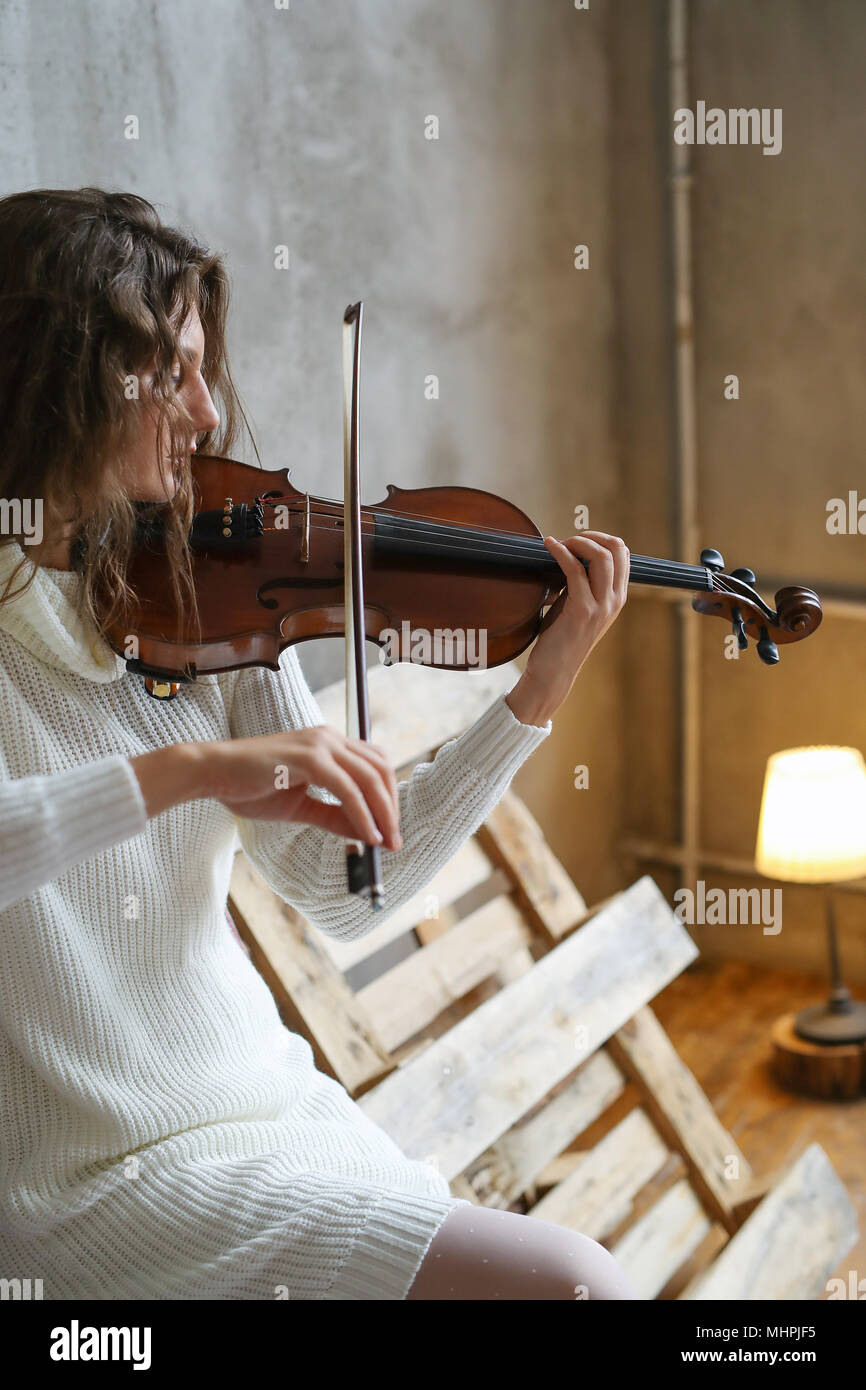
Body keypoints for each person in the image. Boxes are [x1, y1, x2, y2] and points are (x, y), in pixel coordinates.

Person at [0, 187, 635, 1301]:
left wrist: (536, 692)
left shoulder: (198, 582)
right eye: (167, 369)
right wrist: (183, 772)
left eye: (205, 367)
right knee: (574, 1287)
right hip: (89, 1182)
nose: (205, 412)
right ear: (53, 372)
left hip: (267, 1109)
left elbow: (343, 894)